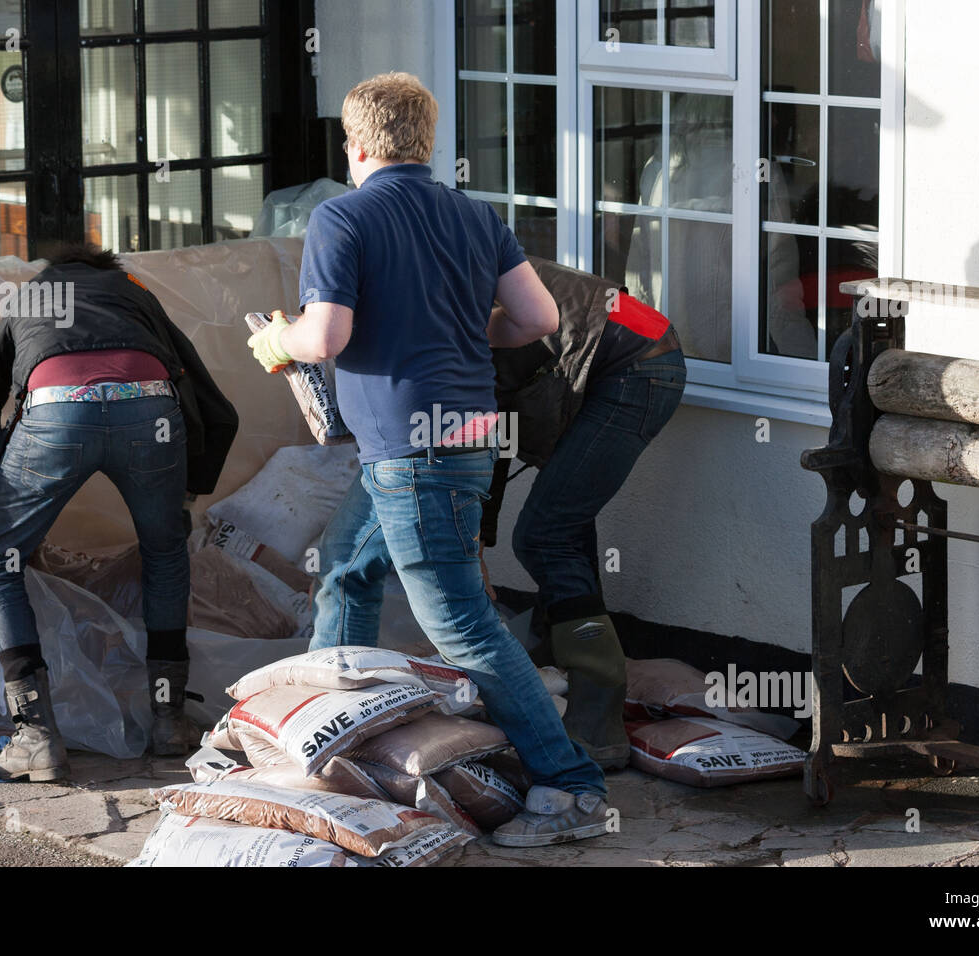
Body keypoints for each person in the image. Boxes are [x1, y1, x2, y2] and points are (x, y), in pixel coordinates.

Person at [246, 72, 609, 847]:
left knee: (463, 628)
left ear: (360, 144)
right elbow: (537, 317)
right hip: (454, 442)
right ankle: (321, 746)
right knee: (344, 566)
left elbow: (326, 338)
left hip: (415, 455)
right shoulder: (476, 216)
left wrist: (275, 341)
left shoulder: (342, 219)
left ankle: (572, 785)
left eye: (347, 143)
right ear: (427, 141)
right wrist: (463, 334)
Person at [0, 241, 238, 782]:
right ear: (109, 270)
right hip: (151, 414)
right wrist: (188, 491)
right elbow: (208, 396)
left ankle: (35, 736)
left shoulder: (33, 292)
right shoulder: (134, 292)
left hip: (55, 417)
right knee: (164, 551)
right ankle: (169, 720)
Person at [481, 257, 687, 770]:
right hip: (610, 351)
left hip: (637, 359)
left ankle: (597, 721)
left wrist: (472, 547)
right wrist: (478, 542)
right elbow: (494, 436)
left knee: (542, 536)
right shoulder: (435, 276)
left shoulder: (429, 314)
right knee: (562, 524)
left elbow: (483, 437)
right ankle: (562, 675)